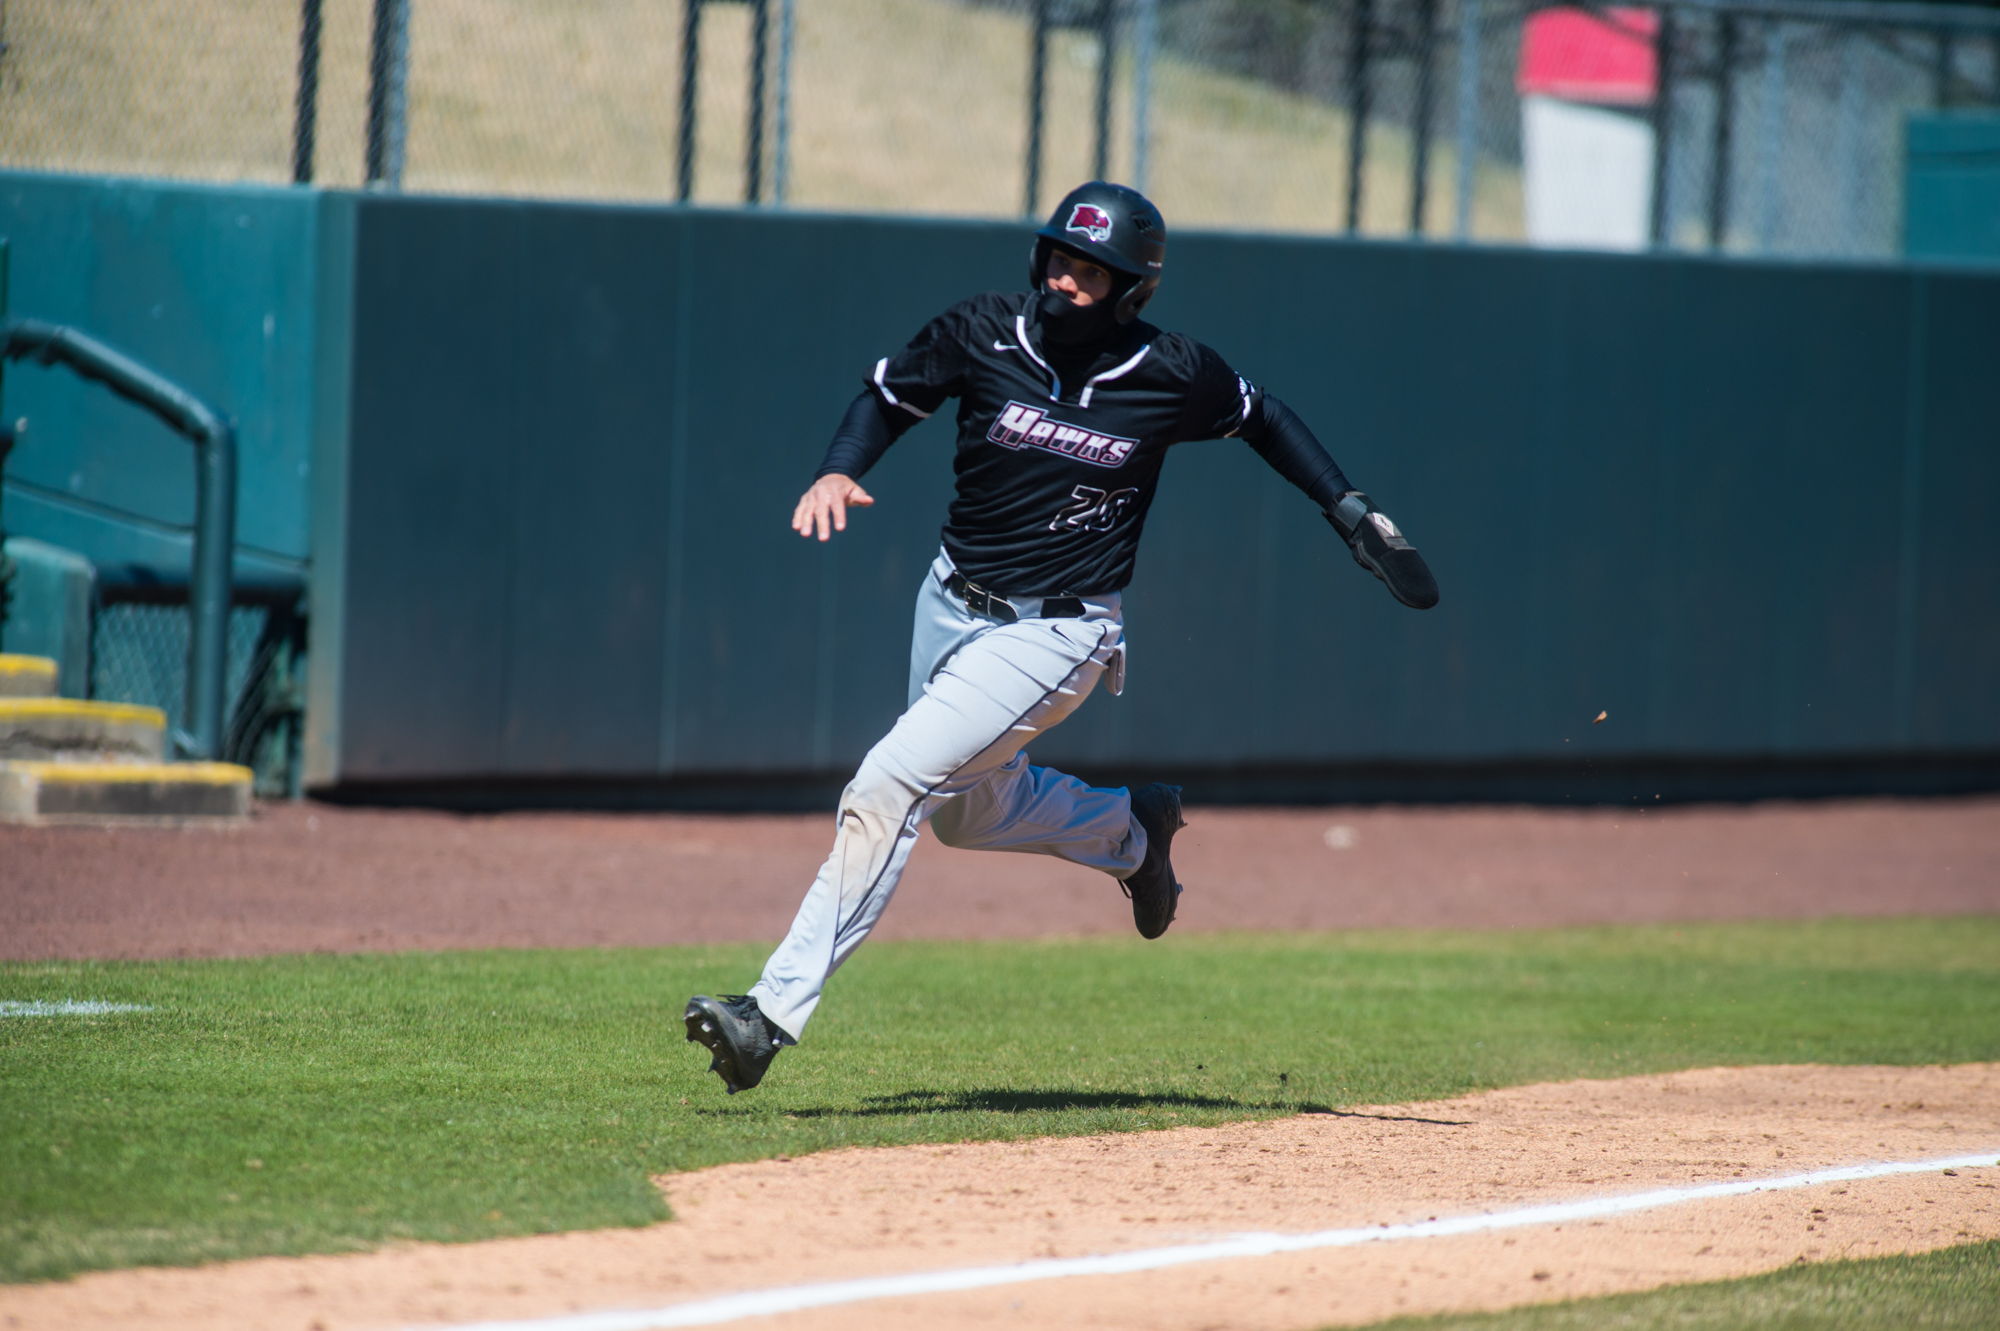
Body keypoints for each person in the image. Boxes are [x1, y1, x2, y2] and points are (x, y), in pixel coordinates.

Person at [684, 181, 1436, 1094]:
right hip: (950, 600)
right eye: (1059, 259)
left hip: (1059, 632)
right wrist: (839, 469)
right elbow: (887, 397)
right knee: (963, 813)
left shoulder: (1169, 371)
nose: (1066, 282)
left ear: (1132, 289)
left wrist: (1349, 509)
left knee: (887, 783)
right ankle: (1131, 831)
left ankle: (768, 1014)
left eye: (1092, 271)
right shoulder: (983, 331)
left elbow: (1264, 417)